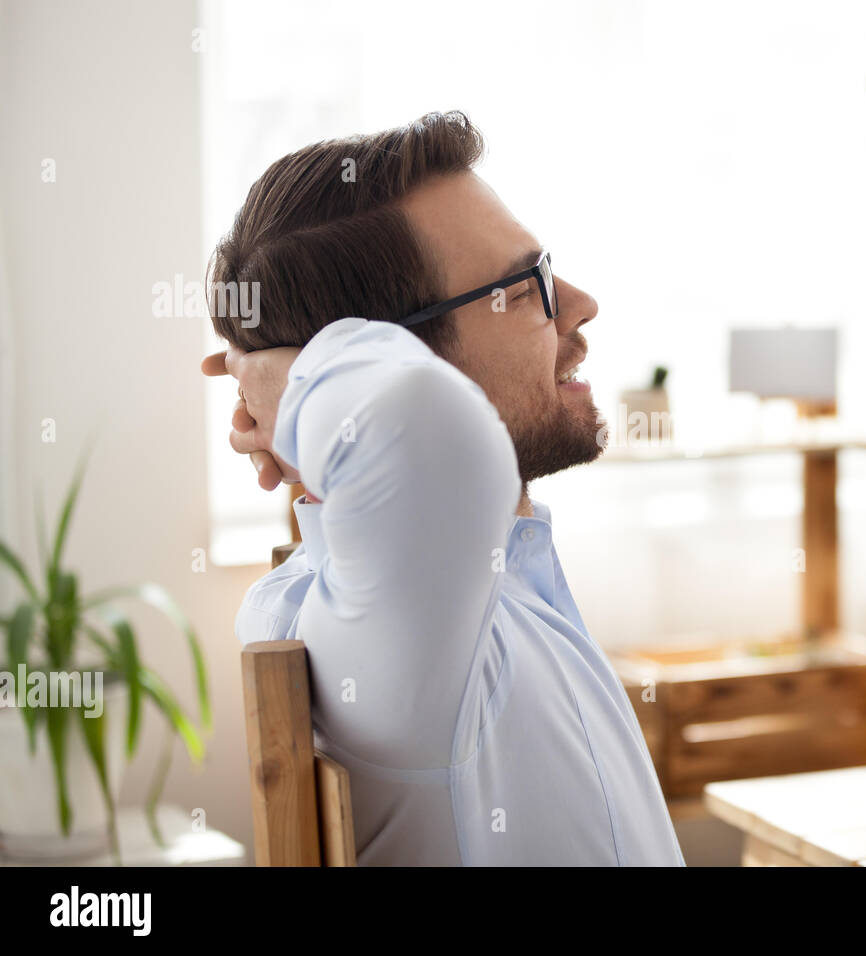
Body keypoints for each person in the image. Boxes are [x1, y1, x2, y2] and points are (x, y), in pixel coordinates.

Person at [201, 111, 684, 865]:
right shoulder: (398, 635)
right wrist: (284, 377)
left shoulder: (480, 592)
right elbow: (427, 438)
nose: (580, 305)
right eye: (528, 289)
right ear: (397, 355)